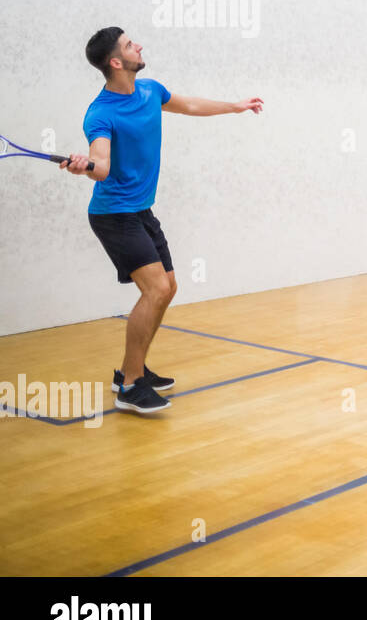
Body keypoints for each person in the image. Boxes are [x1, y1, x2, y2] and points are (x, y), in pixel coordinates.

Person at [61, 26, 263, 414]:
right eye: (129, 45)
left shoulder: (151, 90)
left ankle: (130, 370)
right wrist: (85, 167)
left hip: (140, 211)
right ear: (116, 63)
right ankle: (130, 388)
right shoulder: (100, 114)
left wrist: (234, 106)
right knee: (154, 290)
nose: (139, 45)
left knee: (168, 287)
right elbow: (101, 165)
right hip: (113, 216)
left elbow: (188, 105)